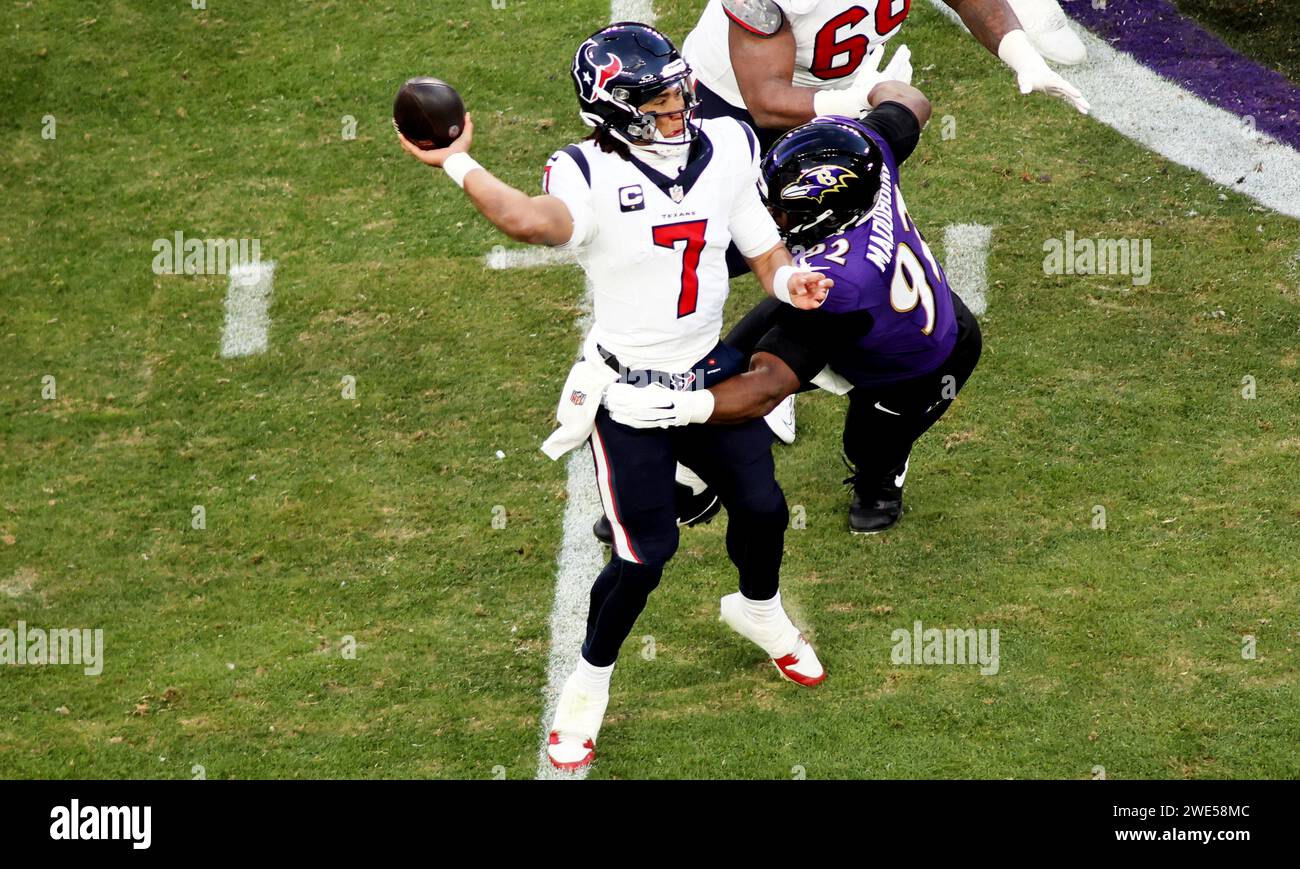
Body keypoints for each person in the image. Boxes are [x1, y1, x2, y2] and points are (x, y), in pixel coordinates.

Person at [398, 22, 833, 772]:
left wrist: (787, 280)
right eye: (660, 98)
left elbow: (758, 238)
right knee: (643, 555)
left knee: (764, 507)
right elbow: (535, 224)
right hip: (628, 388)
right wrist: (457, 162)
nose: (680, 103)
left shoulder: (725, 142)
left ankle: (758, 609)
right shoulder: (583, 171)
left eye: (678, 88)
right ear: (616, 110)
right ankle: (588, 684)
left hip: (706, 365)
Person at [604, 79, 982, 535]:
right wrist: (867, 92)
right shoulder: (866, 157)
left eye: (780, 210)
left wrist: (677, 409)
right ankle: (688, 480)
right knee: (711, 366)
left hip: (914, 360)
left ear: (822, 217)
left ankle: (882, 475)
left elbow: (767, 389)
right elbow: (910, 101)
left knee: (866, 445)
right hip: (872, 303)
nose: (766, 211)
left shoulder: (839, 283)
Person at [684, 0, 1088, 154]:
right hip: (727, 107)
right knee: (722, 244)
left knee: (840, 239)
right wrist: (858, 101)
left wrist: (1023, 57)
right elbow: (765, 101)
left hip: (841, 94)